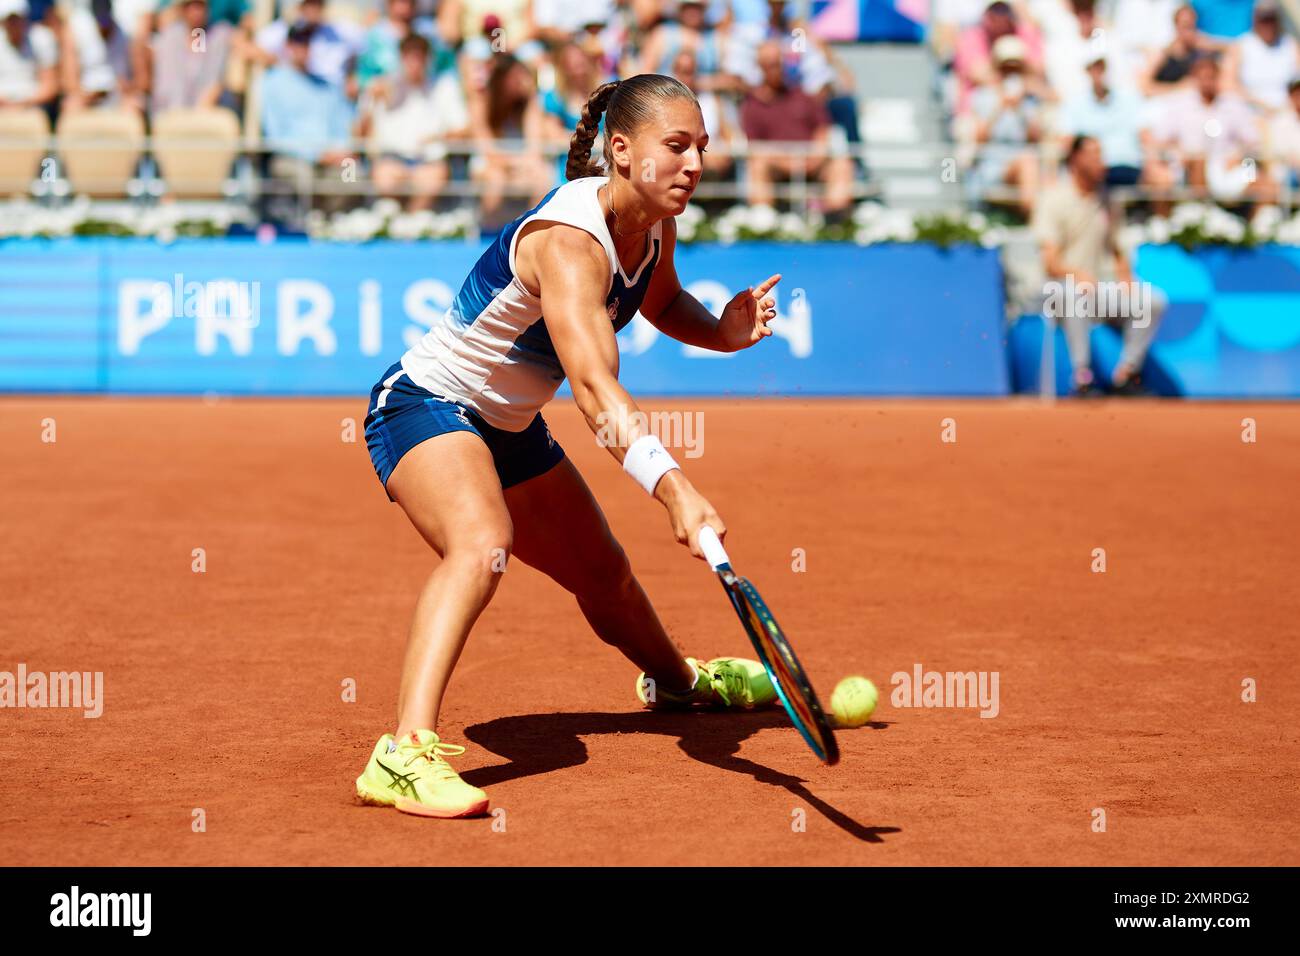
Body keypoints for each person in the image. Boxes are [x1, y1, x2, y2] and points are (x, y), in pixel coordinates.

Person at [355, 73, 783, 818]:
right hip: (426, 407)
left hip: (509, 428)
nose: (695, 165)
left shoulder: (652, 220)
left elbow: (660, 298)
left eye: (702, 149)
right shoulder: (569, 244)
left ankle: (681, 684)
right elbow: (592, 391)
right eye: (676, 146)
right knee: (482, 540)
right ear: (621, 150)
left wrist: (720, 331)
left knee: (606, 574)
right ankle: (401, 754)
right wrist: (673, 485)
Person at [1033, 135, 1166, 396]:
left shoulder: (1108, 199)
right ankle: (1082, 378)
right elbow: (1050, 262)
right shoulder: (1053, 199)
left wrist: (1126, 277)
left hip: (1100, 289)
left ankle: (1126, 375)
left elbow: (1118, 247)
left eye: (1101, 153)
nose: (1100, 161)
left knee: (1153, 301)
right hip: (1059, 290)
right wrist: (1077, 274)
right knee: (1074, 294)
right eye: (1092, 153)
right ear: (1074, 159)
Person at [739, 38, 854, 218]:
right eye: (770, 64)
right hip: (777, 165)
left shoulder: (803, 95)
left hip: (811, 161)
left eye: (778, 63)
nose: (775, 69)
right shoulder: (752, 105)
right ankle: (763, 221)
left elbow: (823, 129)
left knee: (842, 164)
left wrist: (813, 157)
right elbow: (754, 147)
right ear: (760, 67)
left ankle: (835, 222)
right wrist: (790, 163)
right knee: (757, 165)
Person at [356, 32, 469, 209]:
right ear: (401, 57)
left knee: (432, 179)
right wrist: (370, 104)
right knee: (385, 178)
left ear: (428, 58)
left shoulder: (444, 86)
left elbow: (462, 129)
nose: (415, 62)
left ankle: (411, 224)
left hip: (430, 161)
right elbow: (360, 133)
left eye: (419, 56)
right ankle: (400, 224)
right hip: (391, 159)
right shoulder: (380, 86)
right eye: (410, 56)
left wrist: (437, 137)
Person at [261, 22, 356, 222]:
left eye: (307, 43)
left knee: (353, 174)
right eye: (298, 42)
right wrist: (315, 154)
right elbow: (275, 135)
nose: (303, 48)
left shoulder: (328, 86)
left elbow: (343, 128)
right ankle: (307, 227)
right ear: (287, 46)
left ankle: (332, 225)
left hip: (331, 158)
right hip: (294, 158)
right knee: (304, 179)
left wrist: (341, 151)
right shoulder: (272, 83)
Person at [1152, 52, 1278, 204]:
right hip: (1188, 167)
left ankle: (1258, 224)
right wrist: (1179, 154)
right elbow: (1160, 141)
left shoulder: (1233, 104)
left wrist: (1238, 157)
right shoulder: (1179, 104)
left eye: (1211, 77)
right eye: (1203, 77)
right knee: (1197, 164)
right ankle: (1202, 214)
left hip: (1228, 167)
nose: (1207, 82)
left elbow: (1252, 143)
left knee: (1262, 181)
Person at [1059, 51, 1171, 191]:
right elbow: (1067, 142)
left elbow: (1145, 136)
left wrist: (1153, 161)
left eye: (1101, 67)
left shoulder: (1130, 98)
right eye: (1093, 67)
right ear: (1087, 71)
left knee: (1163, 178)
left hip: (1130, 165)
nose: (1098, 72)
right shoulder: (1074, 103)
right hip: (1095, 171)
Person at [965, 33, 1048, 215]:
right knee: (1029, 162)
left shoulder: (1029, 101)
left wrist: (1020, 109)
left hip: (1024, 166)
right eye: (1006, 68)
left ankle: (1034, 216)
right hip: (993, 167)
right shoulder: (982, 97)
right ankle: (1035, 220)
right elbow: (979, 139)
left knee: (1034, 164)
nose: (1010, 74)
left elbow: (1035, 137)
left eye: (1015, 69)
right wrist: (999, 108)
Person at [148, 0, 232, 113]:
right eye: (190, 6)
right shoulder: (170, 37)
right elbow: (165, 87)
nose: (195, 12)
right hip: (172, 114)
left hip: (207, 114)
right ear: (181, 10)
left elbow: (215, 82)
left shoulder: (220, 34)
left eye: (199, 6)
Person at [1223, 0, 1300, 115]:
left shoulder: (1290, 45)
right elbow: (1227, 84)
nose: (1268, 25)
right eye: (1264, 20)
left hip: (1288, 112)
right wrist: (1258, 104)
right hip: (1251, 112)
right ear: (1255, 20)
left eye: (1271, 19)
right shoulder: (1241, 45)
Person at [0, 0, 58, 111]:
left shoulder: (42, 38)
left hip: (34, 108)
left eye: (17, 19)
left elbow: (50, 86)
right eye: (10, 20)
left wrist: (22, 104)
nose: (14, 23)